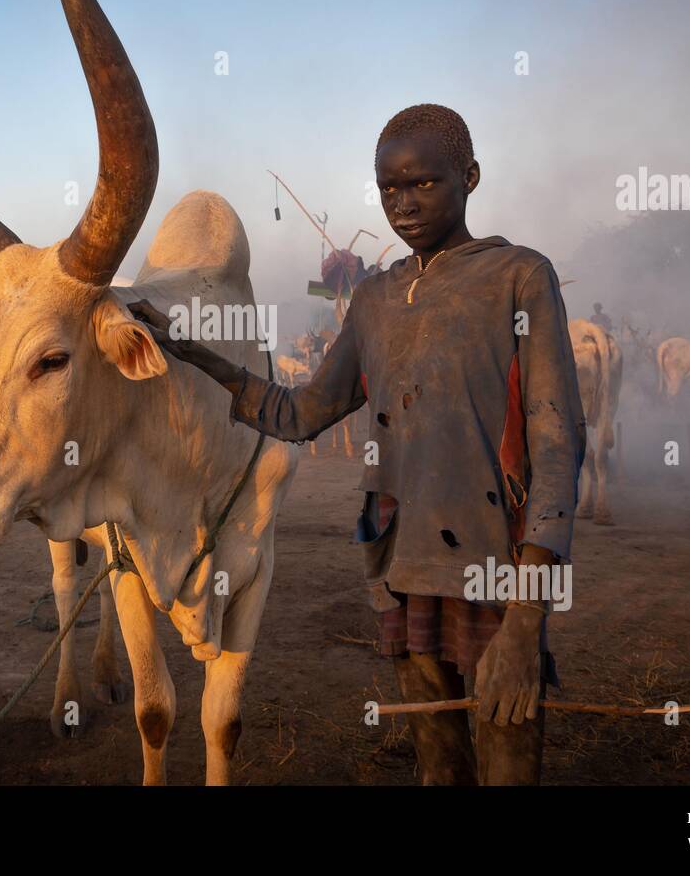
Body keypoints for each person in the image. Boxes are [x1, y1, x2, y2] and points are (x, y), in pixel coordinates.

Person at [131, 104, 585, 784]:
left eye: (424, 184)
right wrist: (193, 352)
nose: (403, 205)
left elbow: (557, 446)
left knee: (508, 763)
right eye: (388, 189)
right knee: (437, 766)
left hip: (499, 575)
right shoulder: (374, 298)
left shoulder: (520, 277)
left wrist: (525, 621)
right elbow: (302, 412)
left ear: (470, 176)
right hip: (402, 569)